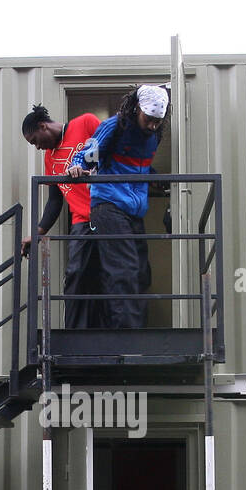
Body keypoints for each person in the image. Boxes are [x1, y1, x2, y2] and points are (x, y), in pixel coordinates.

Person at [66, 84, 169, 329]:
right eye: (149, 119)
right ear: (136, 109)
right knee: (124, 268)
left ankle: (136, 328)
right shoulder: (114, 126)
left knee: (141, 272)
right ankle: (125, 333)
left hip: (134, 210)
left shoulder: (152, 136)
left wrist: (157, 179)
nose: (153, 125)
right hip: (109, 205)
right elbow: (88, 153)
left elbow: (136, 166)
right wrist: (78, 166)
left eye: (157, 121)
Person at [20, 104, 104, 329]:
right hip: (81, 221)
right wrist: (36, 234)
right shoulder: (50, 159)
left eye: (35, 141)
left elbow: (109, 154)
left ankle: (120, 333)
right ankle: (74, 335)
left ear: (43, 126)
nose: (37, 147)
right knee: (75, 275)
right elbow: (55, 200)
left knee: (112, 275)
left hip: (108, 212)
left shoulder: (85, 122)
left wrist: (89, 170)